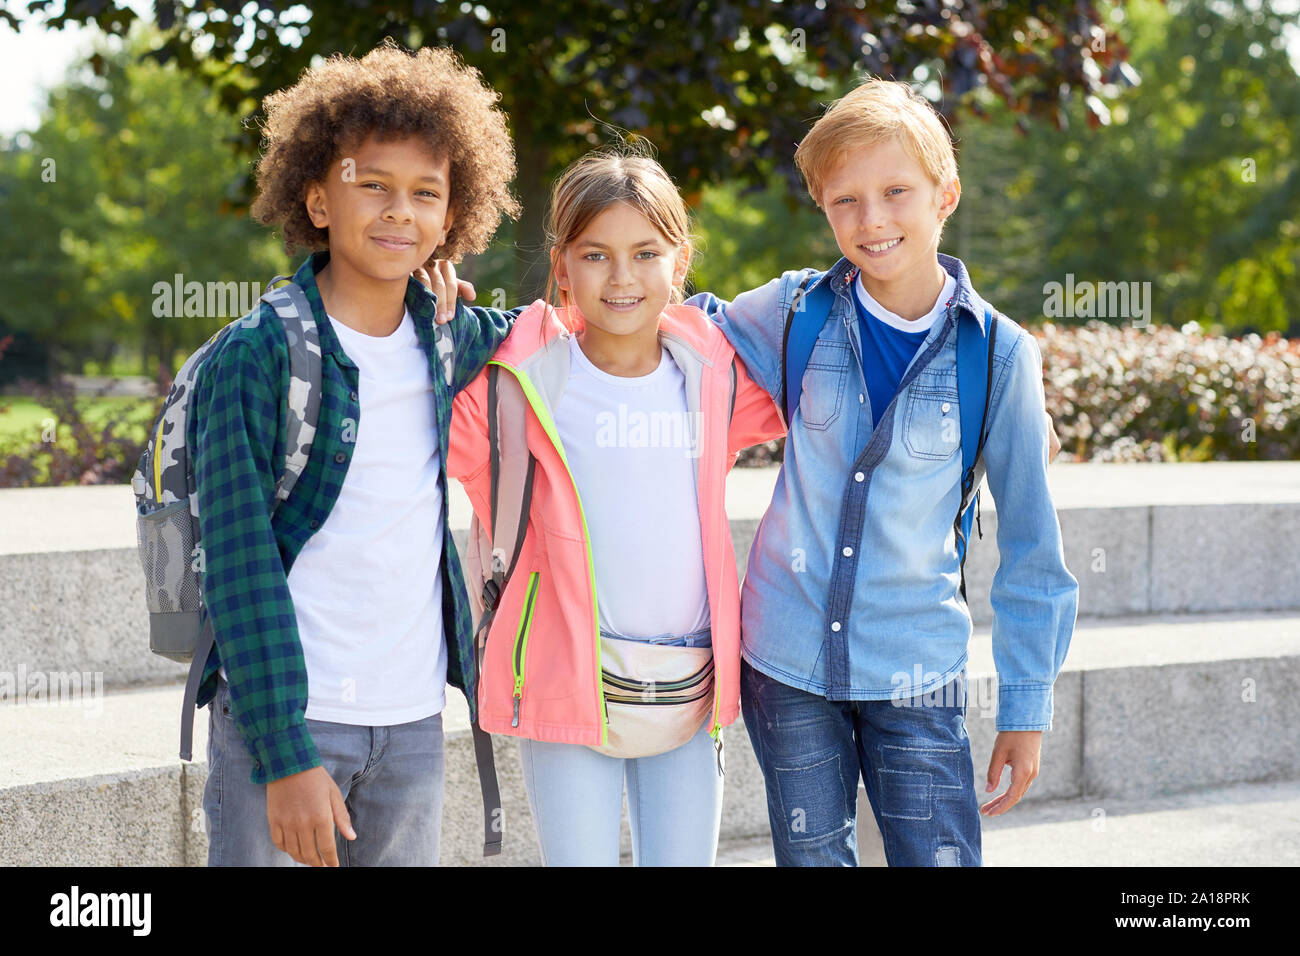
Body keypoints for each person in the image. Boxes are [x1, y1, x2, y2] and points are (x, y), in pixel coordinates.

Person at [685, 78, 1079, 866]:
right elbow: (682, 327)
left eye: (896, 191)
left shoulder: (998, 356)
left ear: (946, 195)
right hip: (787, 657)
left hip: (917, 669)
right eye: (844, 201)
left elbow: (1034, 551)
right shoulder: (796, 311)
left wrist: (1026, 709)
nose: (871, 220)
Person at [191, 40, 520, 866]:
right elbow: (236, 563)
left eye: (424, 194)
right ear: (317, 198)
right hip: (292, 726)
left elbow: (577, 331)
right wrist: (285, 753)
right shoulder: (257, 354)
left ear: (452, 218)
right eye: (370, 184)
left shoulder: (449, 338)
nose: (397, 211)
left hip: (411, 721)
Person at [438, 147, 785, 865]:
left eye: (645, 253)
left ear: (678, 262)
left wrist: (1008, 401)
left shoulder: (714, 375)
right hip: (567, 687)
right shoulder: (518, 386)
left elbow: (827, 371)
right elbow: (411, 395)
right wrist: (428, 312)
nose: (622, 277)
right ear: (561, 267)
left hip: (689, 695)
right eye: (595, 255)